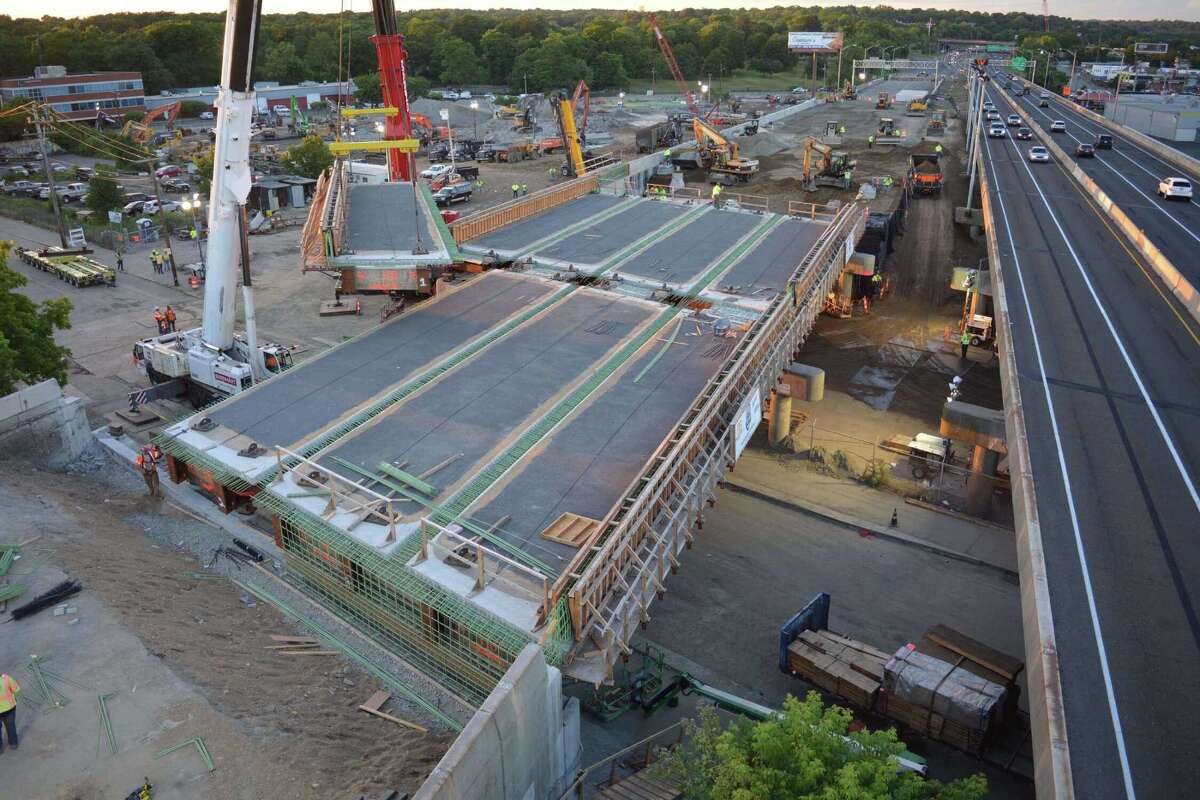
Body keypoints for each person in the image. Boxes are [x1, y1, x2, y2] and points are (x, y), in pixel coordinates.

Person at [0, 671, 19, 753]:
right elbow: (17, 689)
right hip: (10, 707)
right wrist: (14, 697)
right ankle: (13, 743)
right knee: (11, 725)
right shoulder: (6, 679)